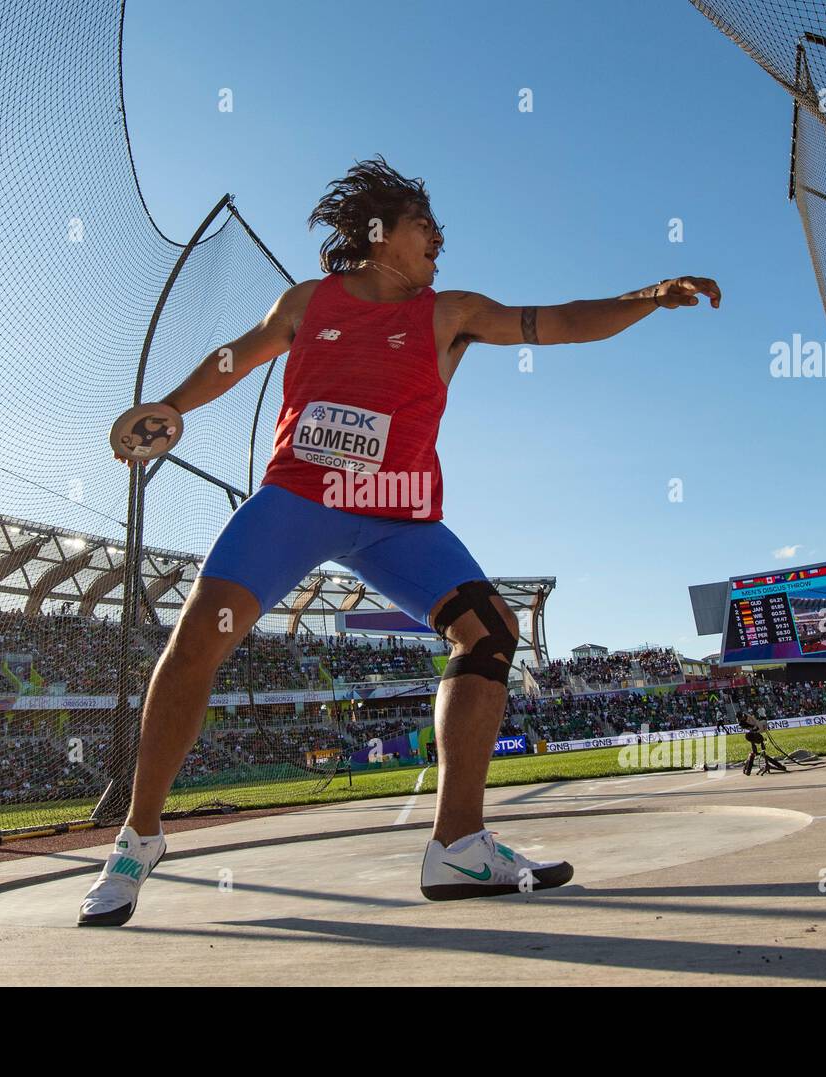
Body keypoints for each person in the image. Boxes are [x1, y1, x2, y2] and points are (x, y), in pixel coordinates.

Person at [79, 155, 721, 925]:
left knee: (490, 632)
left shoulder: (450, 312)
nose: (439, 245)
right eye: (427, 228)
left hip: (398, 515)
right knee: (194, 644)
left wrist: (646, 296)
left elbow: (555, 323)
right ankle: (137, 838)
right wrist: (170, 408)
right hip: (298, 500)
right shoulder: (307, 301)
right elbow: (235, 359)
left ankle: (458, 844)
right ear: (380, 232)